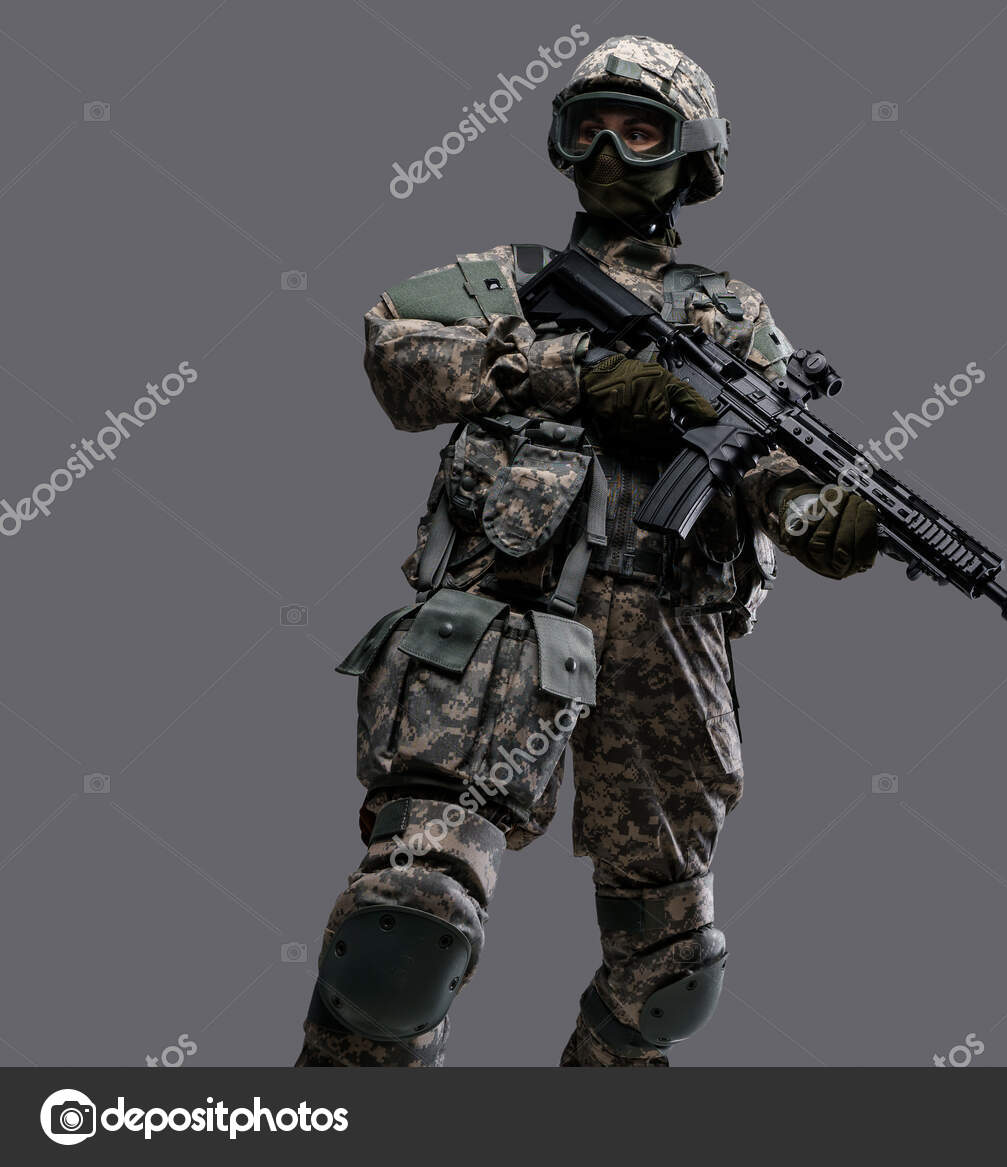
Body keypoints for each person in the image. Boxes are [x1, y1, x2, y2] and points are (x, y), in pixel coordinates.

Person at [295, 33, 879, 1068]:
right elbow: (397, 355)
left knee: (666, 973)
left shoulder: (734, 316)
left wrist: (814, 516)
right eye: (590, 125)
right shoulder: (507, 282)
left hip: (670, 646)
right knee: (408, 924)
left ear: (690, 157)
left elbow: (775, 454)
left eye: (642, 129)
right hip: (498, 634)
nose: (612, 148)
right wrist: (568, 374)